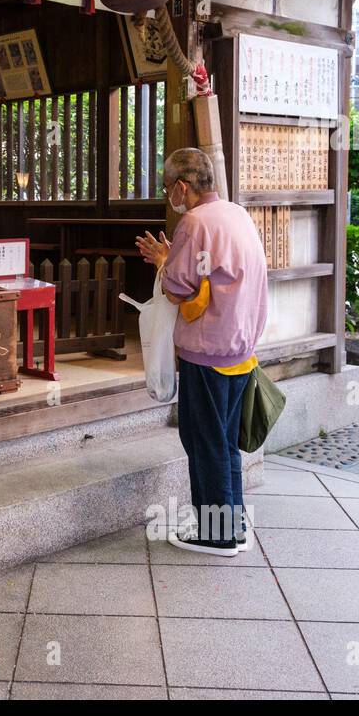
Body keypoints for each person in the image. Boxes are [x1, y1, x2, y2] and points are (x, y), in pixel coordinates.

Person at [135, 148, 268, 557]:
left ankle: (217, 534)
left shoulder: (194, 223)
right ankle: (232, 522)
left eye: (166, 188)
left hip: (207, 352)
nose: (168, 197)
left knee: (204, 440)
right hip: (241, 349)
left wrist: (163, 259)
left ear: (181, 186)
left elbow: (177, 286)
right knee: (224, 440)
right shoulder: (236, 214)